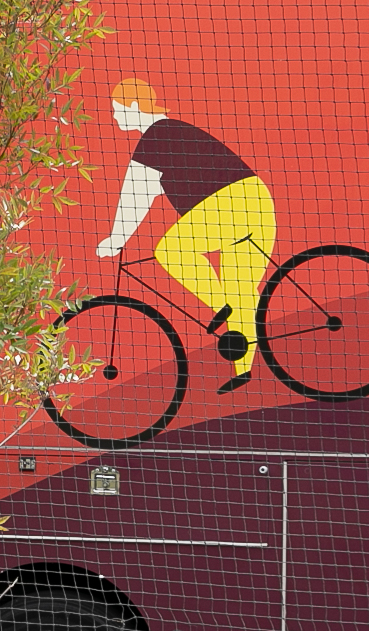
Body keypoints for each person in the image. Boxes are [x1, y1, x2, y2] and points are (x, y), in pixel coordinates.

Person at [95, 78, 276, 394]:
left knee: (171, 250)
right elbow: (144, 193)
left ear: (136, 106)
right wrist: (121, 234)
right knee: (241, 290)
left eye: (117, 109)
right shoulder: (165, 135)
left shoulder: (157, 135)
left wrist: (116, 239)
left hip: (233, 204)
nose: (114, 116)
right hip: (256, 205)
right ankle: (244, 370)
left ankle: (224, 307)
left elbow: (134, 195)